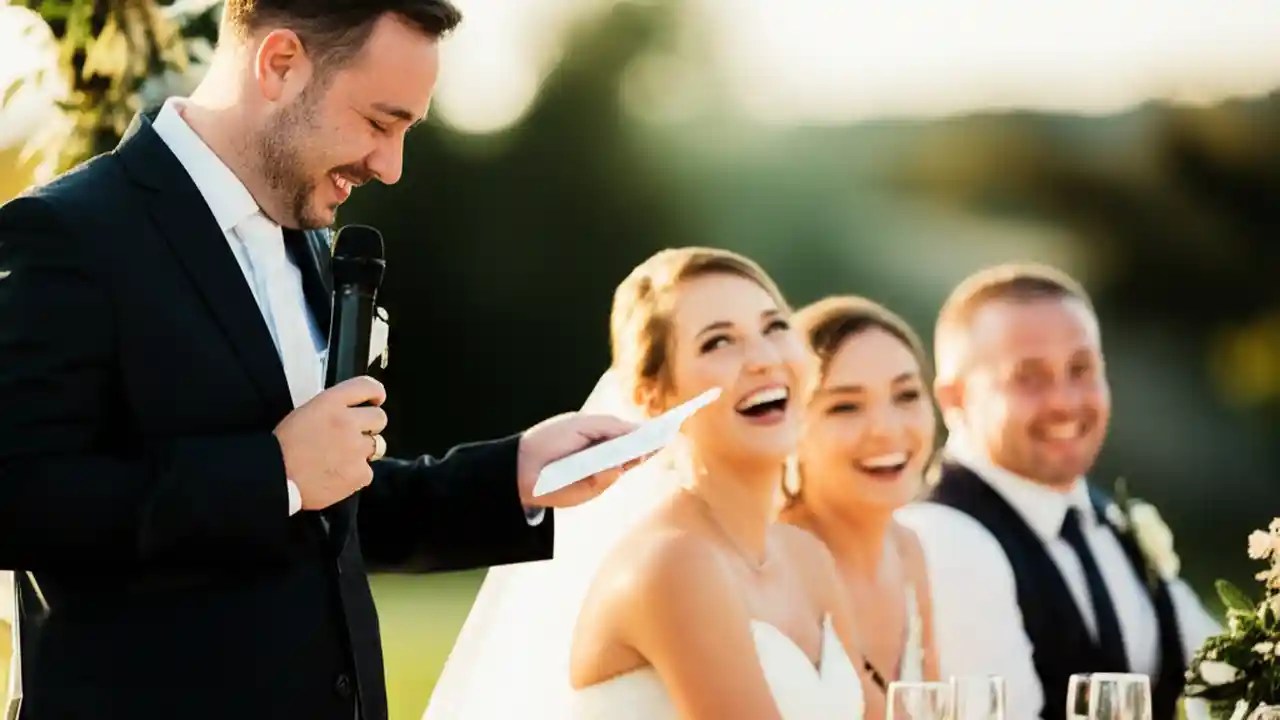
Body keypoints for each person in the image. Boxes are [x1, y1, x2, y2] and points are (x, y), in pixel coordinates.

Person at [0, 2, 638, 718]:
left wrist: (513, 472)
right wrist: (271, 474)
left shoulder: (305, 239)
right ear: (279, 64)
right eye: (378, 122)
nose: (390, 167)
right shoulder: (68, 235)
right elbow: (19, 501)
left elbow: (322, 509)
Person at [426, 248, 868, 719]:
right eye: (719, 342)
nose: (762, 358)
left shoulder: (808, 558)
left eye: (775, 327)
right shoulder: (672, 564)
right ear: (651, 397)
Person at [898, 262, 1220, 720]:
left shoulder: (1110, 522)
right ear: (955, 398)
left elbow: (1226, 671)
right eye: (1028, 377)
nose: (1065, 401)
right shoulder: (941, 539)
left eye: (1080, 368)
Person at [777, 296, 942, 715]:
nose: (886, 430)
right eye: (845, 406)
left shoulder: (908, 551)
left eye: (906, 395)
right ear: (790, 426)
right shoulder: (773, 566)